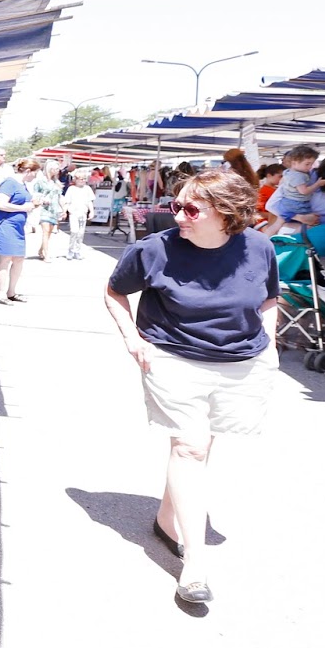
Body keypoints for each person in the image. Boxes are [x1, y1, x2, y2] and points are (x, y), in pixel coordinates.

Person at [104, 169, 280, 606]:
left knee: (202, 444)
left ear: (226, 213)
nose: (178, 215)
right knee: (190, 447)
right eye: (175, 205)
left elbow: (269, 298)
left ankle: (167, 519)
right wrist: (131, 337)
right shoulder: (153, 249)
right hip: (171, 355)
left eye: (190, 208)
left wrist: (271, 345)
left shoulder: (259, 247)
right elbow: (113, 292)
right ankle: (194, 563)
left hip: (241, 359)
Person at [0, 158, 41, 304]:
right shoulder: (10, 183)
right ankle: (1, 293)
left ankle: (11, 292)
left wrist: (31, 204)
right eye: (35, 173)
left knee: (18, 258)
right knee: (5, 258)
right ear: (28, 171)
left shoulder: (22, 184)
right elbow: (1, 204)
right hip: (6, 225)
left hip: (17, 228)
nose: (35, 176)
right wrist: (23, 208)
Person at [258, 144, 325, 236]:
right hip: (296, 205)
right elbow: (304, 191)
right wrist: (317, 184)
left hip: (287, 204)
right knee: (312, 223)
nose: (310, 167)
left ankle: (266, 239)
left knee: (277, 225)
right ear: (294, 162)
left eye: (311, 164)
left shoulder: (288, 172)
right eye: (307, 164)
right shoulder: (298, 176)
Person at [32, 159, 64, 260]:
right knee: (45, 231)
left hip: (54, 209)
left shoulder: (56, 182)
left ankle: (41, 250)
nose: (58, 170)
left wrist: (63, 209)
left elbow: (59, 197)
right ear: (50, 169)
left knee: (49, 232)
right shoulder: (40, 181)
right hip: (43, 209)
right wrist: (42, 199)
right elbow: (34, 194)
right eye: (56, 168)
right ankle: (46, 254)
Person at [62, 167, 95, 259]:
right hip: (74, 213)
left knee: (81, 233)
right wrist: (64, 211)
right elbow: (67, 202)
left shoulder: (87, 189)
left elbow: (89, 201)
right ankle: (71, 249)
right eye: (81, 179)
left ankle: (77, 250)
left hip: (83, 213)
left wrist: (91, 211)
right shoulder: (71, 189)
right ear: (76, 180)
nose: (83, 181)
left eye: (84, 179)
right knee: (74, 231)